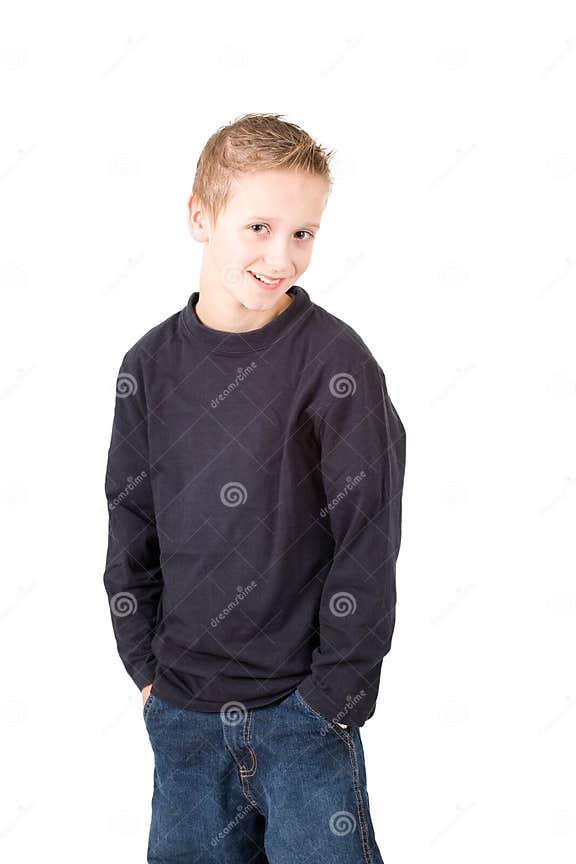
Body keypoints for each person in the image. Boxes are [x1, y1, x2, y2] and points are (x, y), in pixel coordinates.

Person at [103, 112, 406, 863]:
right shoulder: (149, 367)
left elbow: (368, 538)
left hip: (302, 722)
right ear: (201, 217)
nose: (283, 256)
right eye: (260, 227)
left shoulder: (335, 364)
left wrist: (330, 698)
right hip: (184, 723)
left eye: (303, 234)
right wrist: (146, 672)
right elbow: (129, 521)